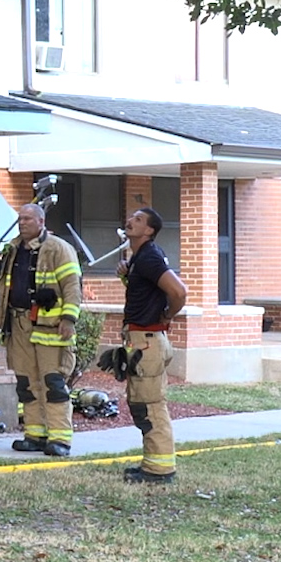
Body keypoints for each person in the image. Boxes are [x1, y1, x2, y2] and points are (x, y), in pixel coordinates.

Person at [0, 201, 84, 456]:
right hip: (18, 323)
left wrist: (68, 319)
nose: (22, 223)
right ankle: (35, 434)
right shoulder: (12, 249)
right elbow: (2, 287)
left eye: (28, 219)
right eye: (20, 219)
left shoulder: (59, 249)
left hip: (50, 327)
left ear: (41, 222)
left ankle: (60, 438)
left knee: (52, 382)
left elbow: (72, 287)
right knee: (27, 382)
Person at [117, 206, 187, 483]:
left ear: (150, 230)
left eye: (138, 220)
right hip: (140, 341)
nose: (130, 221)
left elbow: (179, 291)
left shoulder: (149, 257)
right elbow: (146, 293)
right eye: (131, 217)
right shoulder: (139, 258)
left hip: (147, 341)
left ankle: (159, 469)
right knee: (141, 403)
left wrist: (168, 314)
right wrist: (126, 274)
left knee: (150, 405)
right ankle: (152, 463)